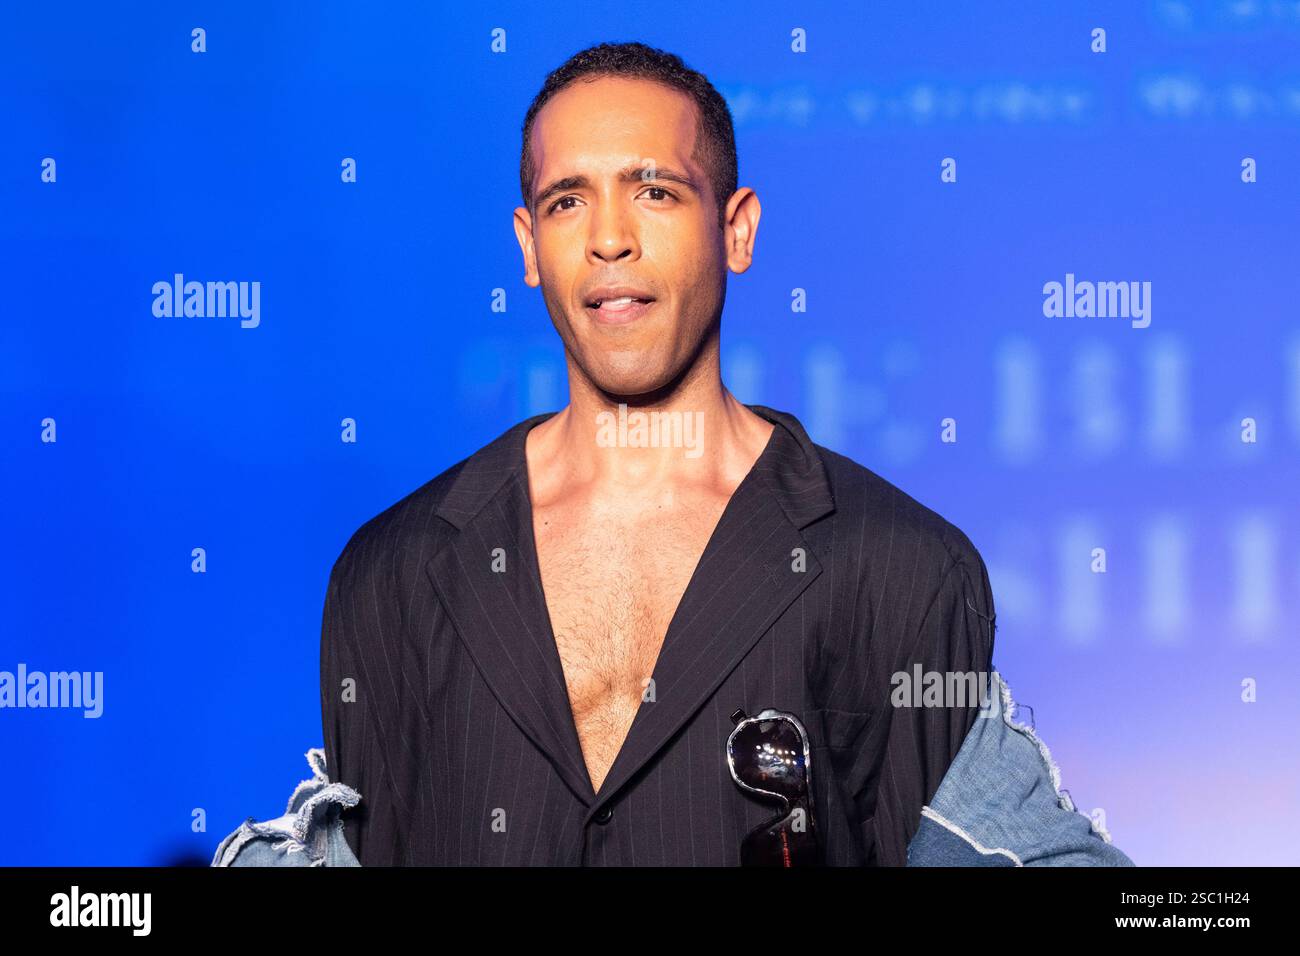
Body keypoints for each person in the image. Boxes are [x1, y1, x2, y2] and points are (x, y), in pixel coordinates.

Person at [320, 41, 999, 866]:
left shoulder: (904, 569)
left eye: (654, 191)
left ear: (736, 231)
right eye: (568, 201)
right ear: (529, 248)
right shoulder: (395, 571)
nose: (610, 238)